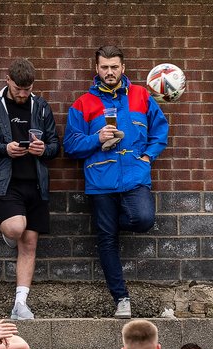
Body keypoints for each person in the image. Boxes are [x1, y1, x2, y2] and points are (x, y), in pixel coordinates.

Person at [64, 46, 167, 320]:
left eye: (114, 67)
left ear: (123, 68)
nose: (109, 72)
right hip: (100, 181)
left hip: (135, 176)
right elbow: (70, 145)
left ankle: (108, 225)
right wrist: (96, 139)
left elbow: (161, 129)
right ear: (96, 69)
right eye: (104, 67)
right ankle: (121, 298)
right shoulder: (83, 103)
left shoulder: (141, 96)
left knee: (144, 219)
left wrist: (147, 156)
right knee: (106, 240)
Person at [0, 61, 59, 323]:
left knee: (30, 244)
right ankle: (8, 232)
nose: (23, 94)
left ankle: (20, 304)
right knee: (16, 229)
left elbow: (56, 145)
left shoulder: (40, 107)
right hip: (6, 183)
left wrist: (44, 149)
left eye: (27, 89)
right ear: (7, 80)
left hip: (37, 183)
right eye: (19, 88)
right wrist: (3, 149)